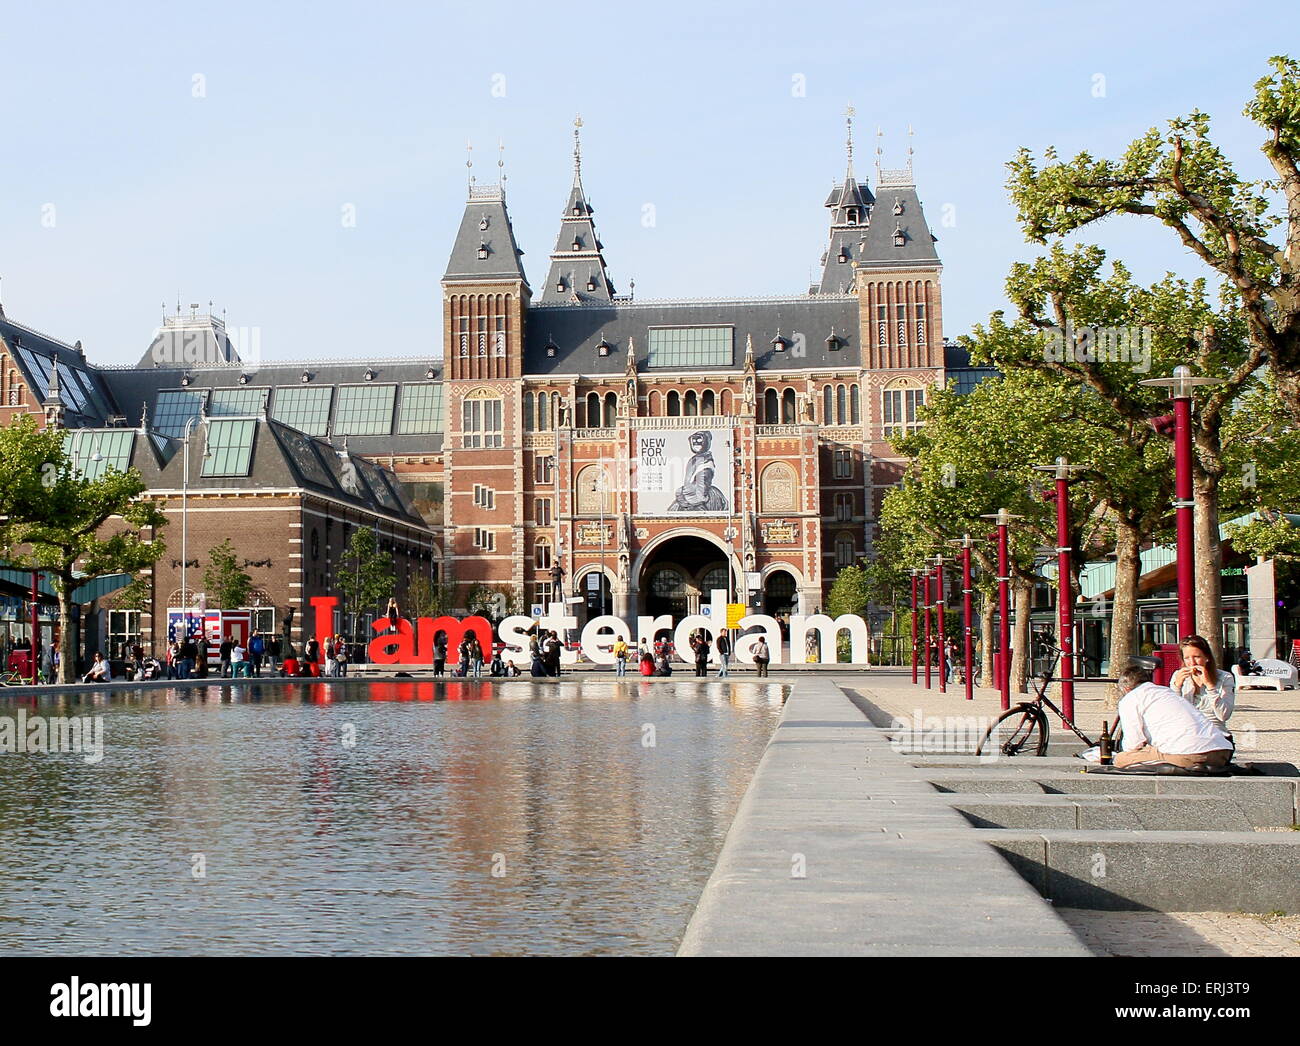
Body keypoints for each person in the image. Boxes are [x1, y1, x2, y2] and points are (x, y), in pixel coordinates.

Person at [1114, 662, 1233, 769]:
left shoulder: (1130, 699)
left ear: (1127, 689)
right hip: (1222, 751)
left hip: (1193, 754)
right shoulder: (1166, 692)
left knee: (1121, 759)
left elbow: (1133, 744)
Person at [1169, 635, 1235, 732]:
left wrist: (1210, 686)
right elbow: (1172, 713)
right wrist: (1176, 687)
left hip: (1215, 731)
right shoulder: (1177, 676)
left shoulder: (1225, 677)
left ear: (1207, 657)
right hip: (1186, 730)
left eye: (1196, 657)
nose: (1192, 663)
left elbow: (1224, 715)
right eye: (1187, 658)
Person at [668, 431, 729, 511]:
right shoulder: (694, 459)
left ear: (705, 442)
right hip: (689, 491)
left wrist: (696, 500)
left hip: (697, 496)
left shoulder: (706, 461)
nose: (696, 443)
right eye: (694, 441)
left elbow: (703, 483)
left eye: (699, 440)